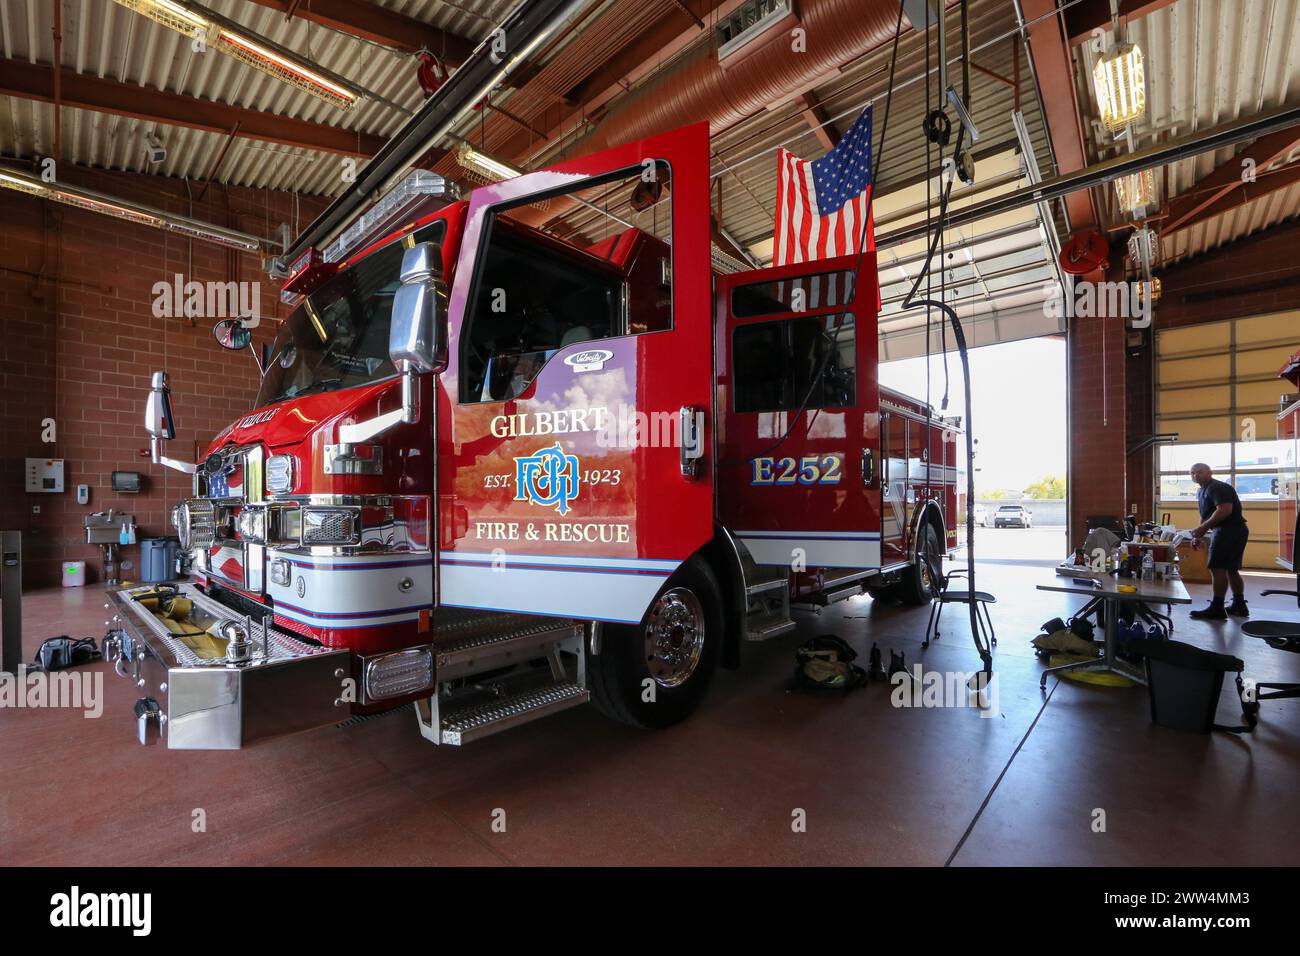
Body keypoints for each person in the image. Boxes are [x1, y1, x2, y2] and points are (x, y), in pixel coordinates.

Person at [1187, 463, 1249, 619]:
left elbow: (1225, 510)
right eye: (1193, 473)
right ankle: (1239, 605)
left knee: (1217, 567)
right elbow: (1206, 515)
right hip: (1230, 530)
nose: (1196, 475)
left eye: (1200, 472)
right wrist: (1198, 534)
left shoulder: (1217, 487)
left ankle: (1217, 607)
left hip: (1229, 530)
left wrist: (1202, 529)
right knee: (1231, 569)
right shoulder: (1202, 490)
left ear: (1210, 472)